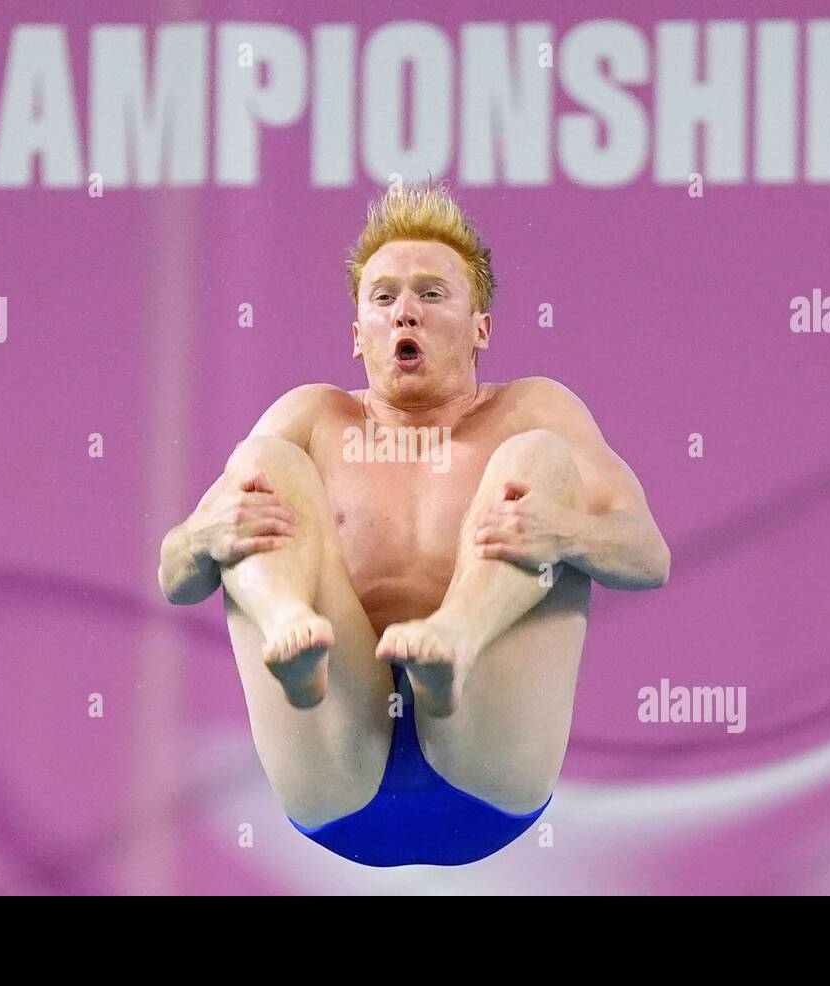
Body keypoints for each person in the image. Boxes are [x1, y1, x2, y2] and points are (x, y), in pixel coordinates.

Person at [158, 180, 670, 866]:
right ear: (357, 335)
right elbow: (176, 577)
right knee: (262, 463)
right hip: (334, 758)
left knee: (536, 458)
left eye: (431, 294)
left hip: (488, 768)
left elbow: (648, 556)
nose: (406, 312)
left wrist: (566, 534)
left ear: (480, 326)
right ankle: (290, 632)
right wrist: (202, 537)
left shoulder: (534, 408)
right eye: (384, 298)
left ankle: (455, 642)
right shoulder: (311, 418)